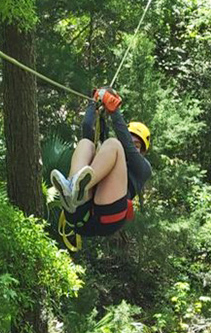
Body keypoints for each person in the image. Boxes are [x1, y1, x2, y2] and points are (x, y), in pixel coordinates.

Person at [51, 88, 152, 242]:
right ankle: (73, 189)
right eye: (132, 141)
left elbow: (126, 146)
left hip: (108, 216)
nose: (132, 146)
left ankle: (77, 188)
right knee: (86, 143)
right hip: (79, 215)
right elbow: (87, 128)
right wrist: (94, 103)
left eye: (137, 145)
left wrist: (114, 111)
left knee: (113, 143)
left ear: (143, 151)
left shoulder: (143, 169)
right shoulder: (109, 157)